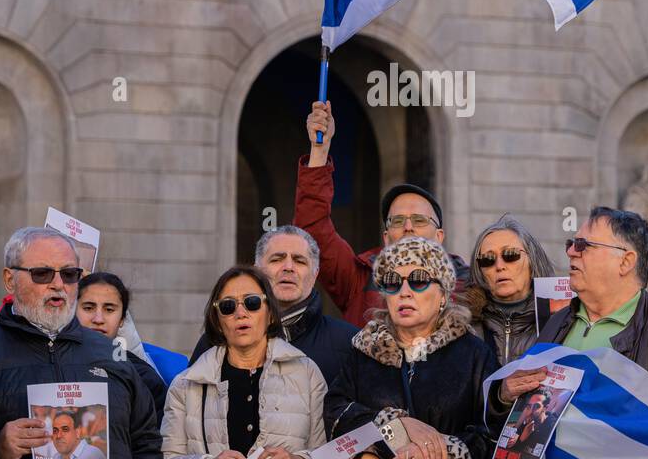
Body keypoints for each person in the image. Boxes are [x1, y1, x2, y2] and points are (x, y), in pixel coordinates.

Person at [0, 227, 163, 459]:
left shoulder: (110, 353)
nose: (58, 285)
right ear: (9, 279)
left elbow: (146, 440)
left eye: (69, 274)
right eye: (42, 273)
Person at [325, 237, 498, 459]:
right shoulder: (363, 350)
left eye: (418, 280)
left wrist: (440, 453)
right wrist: (394, 424)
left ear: (443, 294)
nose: (404, 291)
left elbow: (490, 434)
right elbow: (335, 412)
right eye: (393, 282)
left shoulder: (472, 353)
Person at [161, 265, 326, 459]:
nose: (240, 313)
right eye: (228, 306)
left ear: (270, 313)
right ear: (218, 320)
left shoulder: (306, 373)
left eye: (251, 303)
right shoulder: (187, 383)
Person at [517, 207, 648, 407]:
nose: (570, 252)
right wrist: (501, 397)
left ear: (625, 261)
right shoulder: (557, 323)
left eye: (582, 245)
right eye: (571, 244)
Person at [295, 100, 470, 326]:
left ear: (439, 236)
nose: (408, 226)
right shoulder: (359, 279)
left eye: (419, 220)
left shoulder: (469, 284)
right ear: (386, 237)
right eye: (397, 221)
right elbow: (311, 232)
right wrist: (319, 151)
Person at [188, 226, 355, 388]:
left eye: (299, 261)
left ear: (315, 274)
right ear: (257, 271)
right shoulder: (218, 338)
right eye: (277, 259)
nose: (288, 267)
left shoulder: (348, 343)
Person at [76, 272, 175, 420]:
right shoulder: (49, 364)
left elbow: (158, 439)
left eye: (109, 310)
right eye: (89, 308)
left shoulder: (144, 378)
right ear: (73, 311)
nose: (98, 319)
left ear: (122, 319)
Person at [463, 215, 558, 366]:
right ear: (479, 270)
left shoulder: (561, 320)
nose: (499, 266)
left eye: (510, 255)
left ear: (532, 260)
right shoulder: (464, 326)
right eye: (487, 259)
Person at [35, 409, 105, 459]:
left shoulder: (94, 455)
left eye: (65, 430)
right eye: (55, 431)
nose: (58, 436)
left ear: (77, 432)